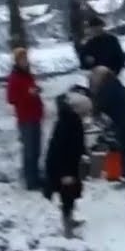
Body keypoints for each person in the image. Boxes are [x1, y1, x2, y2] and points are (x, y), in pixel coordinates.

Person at [43, 91, 91, 235]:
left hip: (69, 163)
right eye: (86, 111)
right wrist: (65, 173)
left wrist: (84, 152)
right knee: (67, 194)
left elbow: (76, 143)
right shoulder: (69, 122)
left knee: (72, 192)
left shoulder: (71, 119)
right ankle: (67, 224)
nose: (88, 114)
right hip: (63, 166)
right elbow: (61, 149)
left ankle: (70, 219)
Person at [91, 66, 125, 182]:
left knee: (119, 145)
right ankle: (122, 172)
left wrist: (95, 109)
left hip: (124, 120)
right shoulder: (114, 84)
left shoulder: (107, 88)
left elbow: (100, 105)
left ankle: (120, 173)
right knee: (124, 146)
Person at [6, 47, 45, 191]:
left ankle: (36, 176)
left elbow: (32, 89)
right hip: (25, 117)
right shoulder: (14, 77)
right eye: (22, 59)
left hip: (35, 115)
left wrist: (36, 91)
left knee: (36, 149)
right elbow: (11, 98)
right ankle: (30, 180)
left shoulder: (28, 75)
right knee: (29, 150)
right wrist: (28, 94)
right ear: (17, 61)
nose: (25, 61)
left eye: (26, 58)